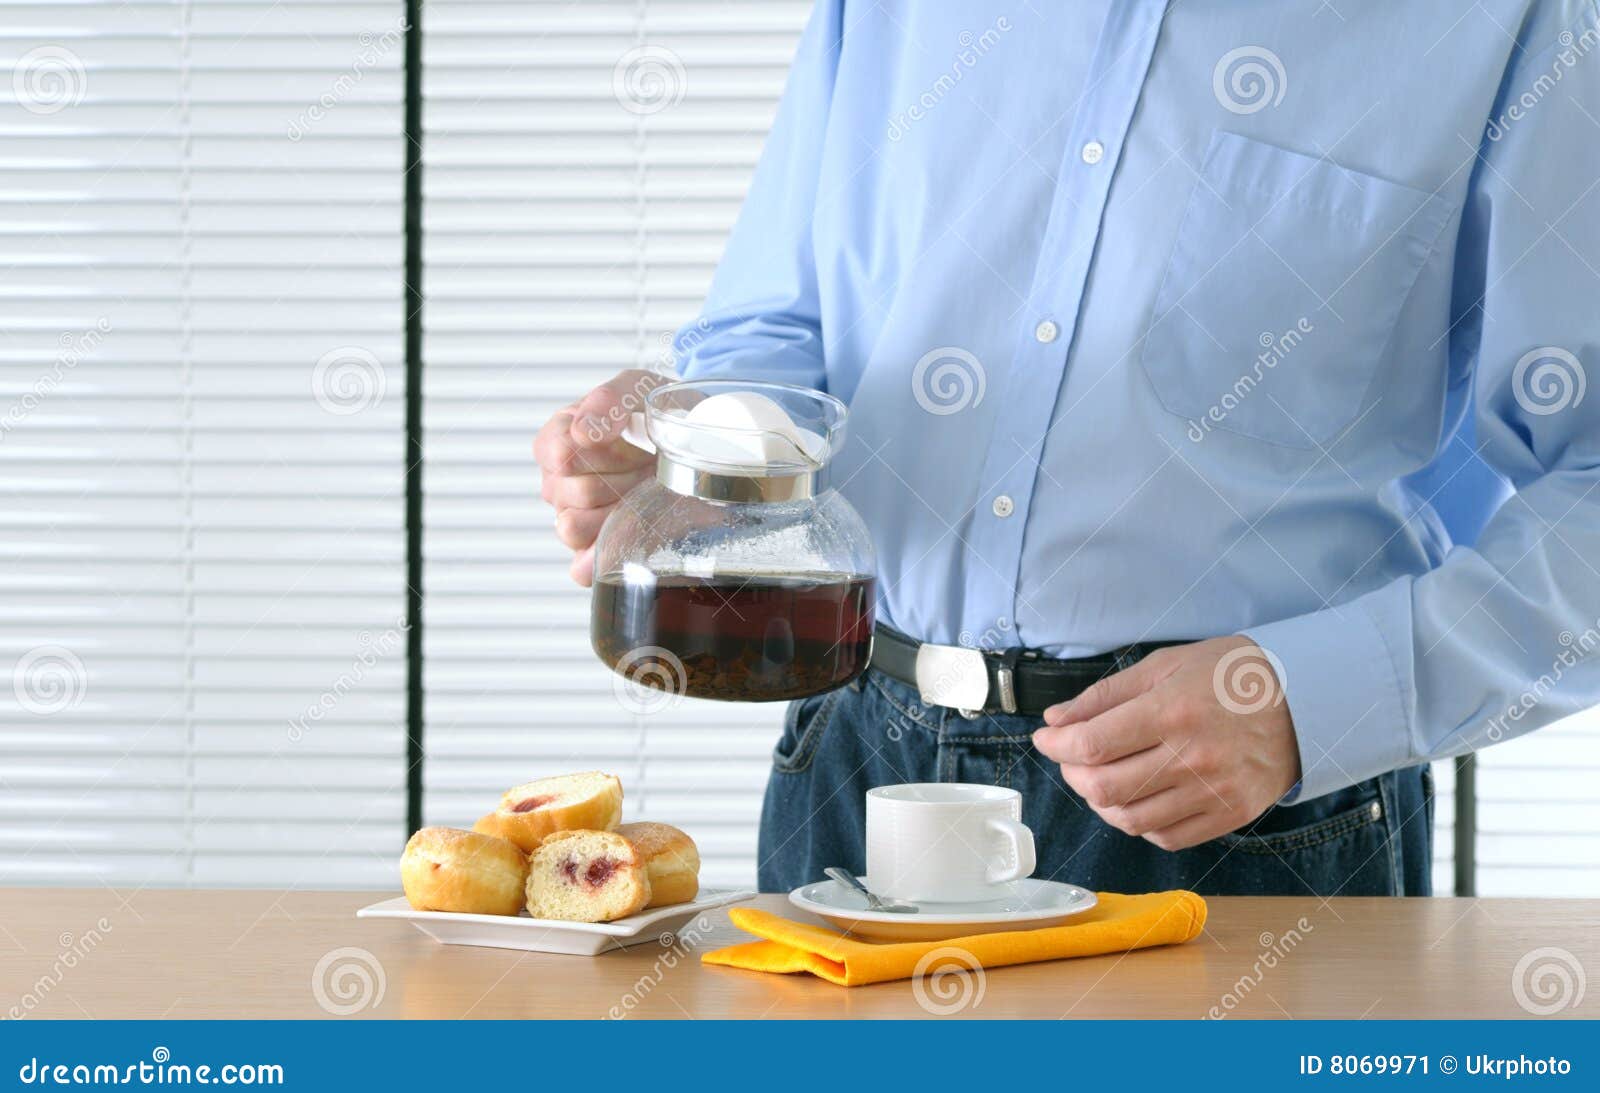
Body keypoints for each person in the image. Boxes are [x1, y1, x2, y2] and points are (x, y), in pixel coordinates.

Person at [535, 1, 1600, 896]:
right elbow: (775, 327)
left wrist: (1317, 698)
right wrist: (712, 460)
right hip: (854, 763)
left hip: (1250, 820)